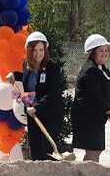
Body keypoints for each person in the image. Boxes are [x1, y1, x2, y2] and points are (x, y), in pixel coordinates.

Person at [6, 31, 71, 161]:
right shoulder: (27, 65)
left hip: (49, 113)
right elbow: (28, 79)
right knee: (35, 149)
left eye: (41, 50)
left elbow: (53, 93)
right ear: (29, 51)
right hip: (32, 112)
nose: (38, 54)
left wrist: (38, 106)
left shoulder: (52, 68)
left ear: (45, 50)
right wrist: (14, 74)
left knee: (46, 149)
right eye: (34, 50)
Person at [72, 34, 110, 163]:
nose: (104, 53)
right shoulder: (90, 71)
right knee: (93, 150)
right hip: (87, 117)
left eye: (106, 50)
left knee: (97, 149)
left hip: (97, 116)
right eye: (101, 50)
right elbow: (95, 96)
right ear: (93, 52)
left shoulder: (101, 68)